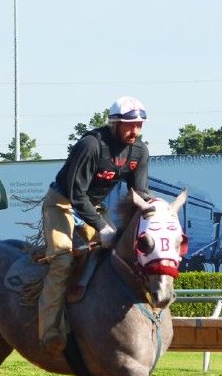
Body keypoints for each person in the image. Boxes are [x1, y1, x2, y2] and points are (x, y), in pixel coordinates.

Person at [37, 96, 151, 355]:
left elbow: (140, 193)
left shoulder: (140, 152)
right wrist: (103, 227)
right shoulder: (90, 145)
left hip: (94, 207)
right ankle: (49, 332)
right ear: (114, 123)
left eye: (139, 125)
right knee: (63, 261)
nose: (135, 131)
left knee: (115, 256)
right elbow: (77, 195)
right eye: (129, 125)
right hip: (62, 204)